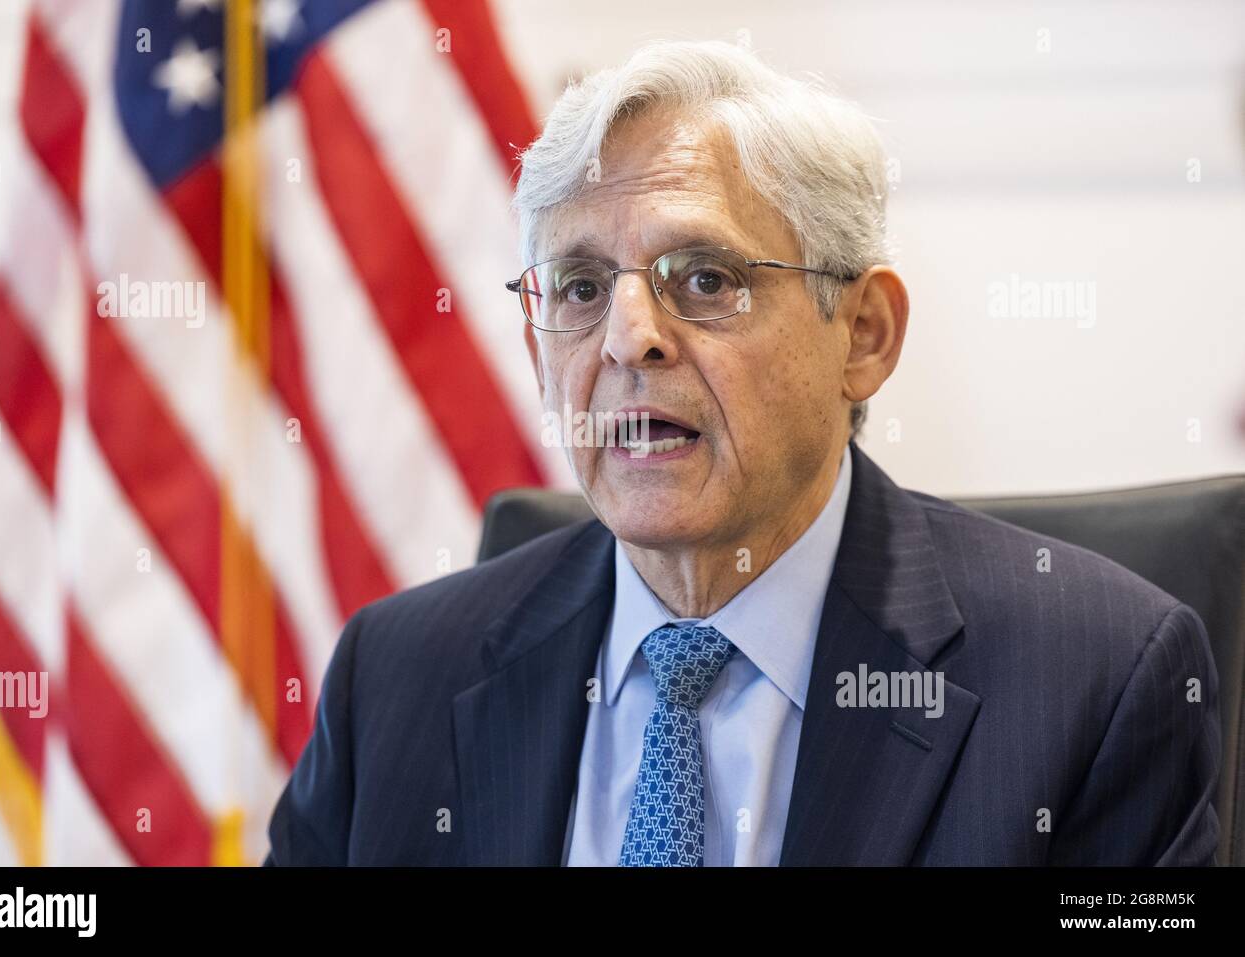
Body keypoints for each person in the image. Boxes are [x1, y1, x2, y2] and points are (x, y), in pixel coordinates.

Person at [265, 39, 1219, 866]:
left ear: (864, 335)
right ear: (537, 350)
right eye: (582, 288)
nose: (626, 338)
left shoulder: (1094, 684)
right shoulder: (390, 679)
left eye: (705, 277)